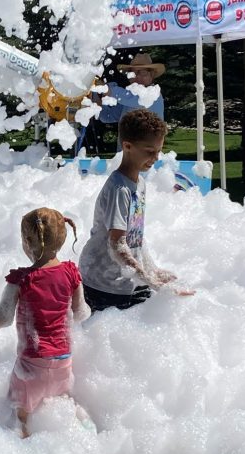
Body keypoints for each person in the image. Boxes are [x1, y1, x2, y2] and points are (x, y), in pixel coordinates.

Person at [0, 207, 90, 436]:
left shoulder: (22, 280)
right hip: (63, 363)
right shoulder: (70, 273)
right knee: (63, 407)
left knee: (20, 416)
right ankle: (86, 432)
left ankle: (23, 446)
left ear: (27, 242)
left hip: (31, 367)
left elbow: (2, 318)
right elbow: (79, 313)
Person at [78, 108, 188, 313]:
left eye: (158, 151)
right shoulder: (120, 190)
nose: (156, 157)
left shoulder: (139, 184)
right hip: (103, 282)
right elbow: (117, 244)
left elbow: (135, 237)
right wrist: (151, 281)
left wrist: (153, 270)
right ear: (127, 146)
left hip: (125, 277)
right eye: (149, 151)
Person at [83, 52, 166, 156]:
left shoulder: (153, 94)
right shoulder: (127, 99)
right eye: (133, 73)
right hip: (124, 160)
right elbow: (107, 117)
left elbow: (125, 96)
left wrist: (106, 88)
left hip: (148, 160)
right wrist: (95, 96)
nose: (137, 77)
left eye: (143, 73)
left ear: (152, 75)